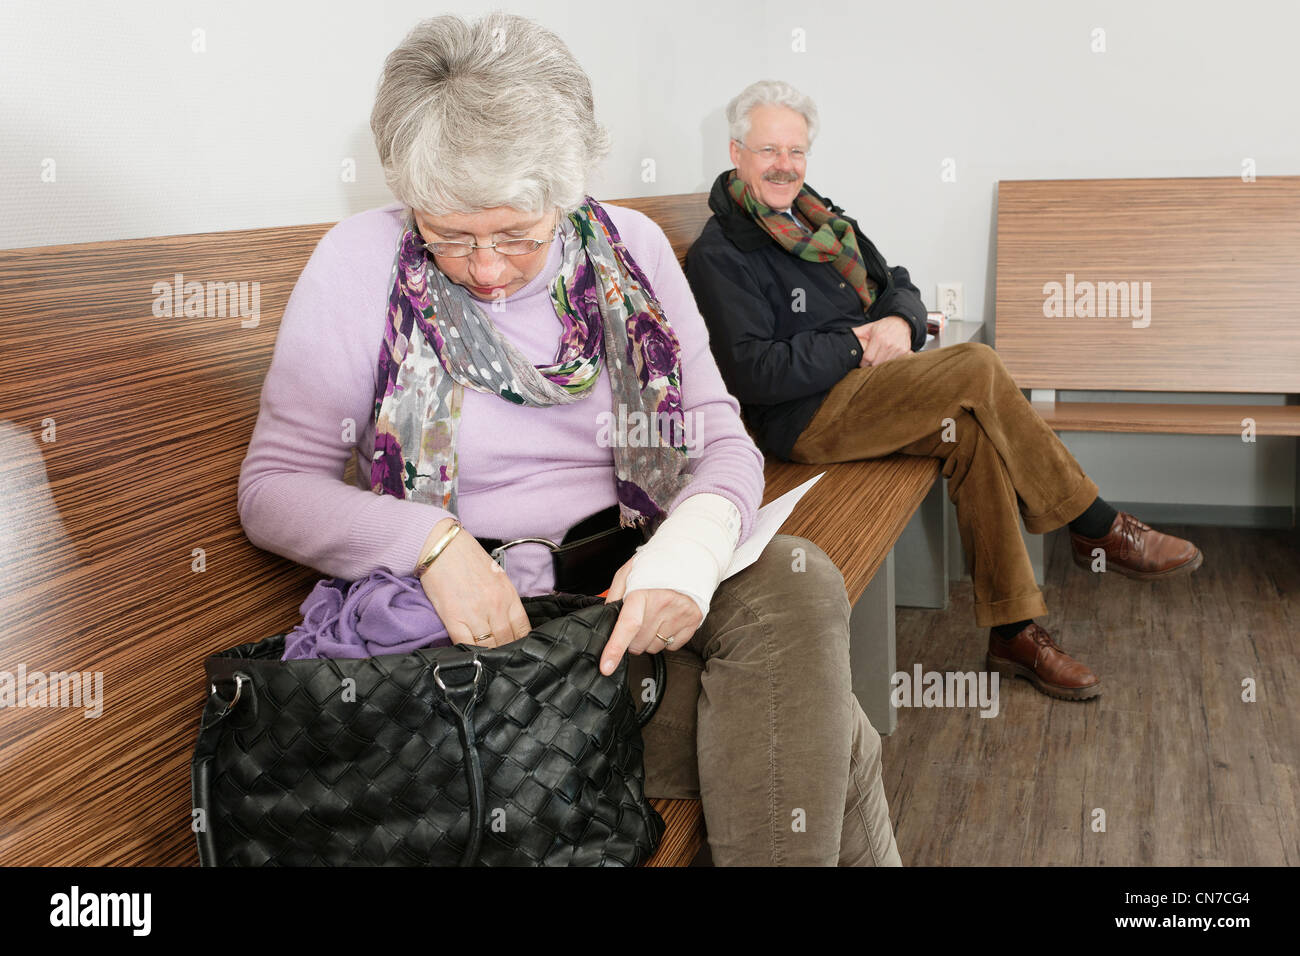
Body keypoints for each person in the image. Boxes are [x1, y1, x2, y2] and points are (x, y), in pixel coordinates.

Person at [237, 15, 900, 866]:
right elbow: (273, 488)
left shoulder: (636, 250)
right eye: (449, 236)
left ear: (568, 191)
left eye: (516, 233)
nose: (485, 268)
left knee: (801, 583)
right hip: (483, 637)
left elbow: (721, 439)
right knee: (835, 733)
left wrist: (684, 556)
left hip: (628, 579)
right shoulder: (358, 262)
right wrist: (432, 546)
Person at [685, 79, 1203, 703]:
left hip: (870, 391)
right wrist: (856, 343)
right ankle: (1094, 523)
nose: (785, 165)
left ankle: (1013, 631)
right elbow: (751, 373)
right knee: (976, 367)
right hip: (806, 418)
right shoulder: (724, 249)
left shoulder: (819, 219)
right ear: (737, 151)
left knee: (976, 434)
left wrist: (899, 322)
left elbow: (895, 280)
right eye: (770, 150)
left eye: (797, 151)